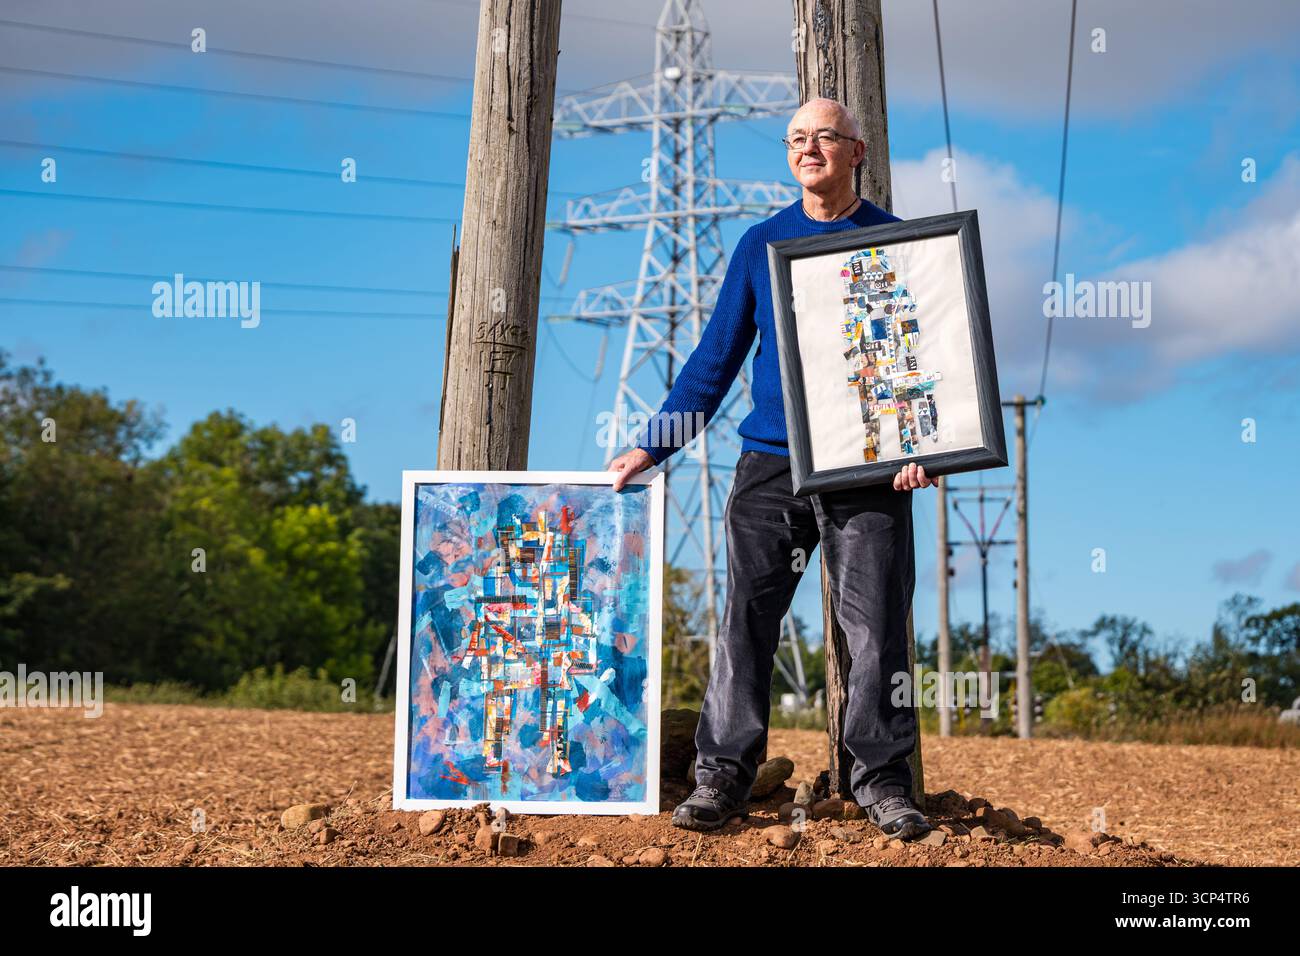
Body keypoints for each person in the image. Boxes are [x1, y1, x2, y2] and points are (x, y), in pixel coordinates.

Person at [610, 97, 934, 840]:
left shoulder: (898, 242)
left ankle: (882, 784)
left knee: (878, 630)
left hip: (868, 470)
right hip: (770, 466)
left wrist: (924, 447)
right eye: (796, 138)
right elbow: (714, 362)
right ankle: (721, 778)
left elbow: (923, 363)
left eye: (824, 136)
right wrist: (652, 443)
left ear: (857, 151)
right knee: (745, 624)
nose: (808, 148)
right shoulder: (761, 243)